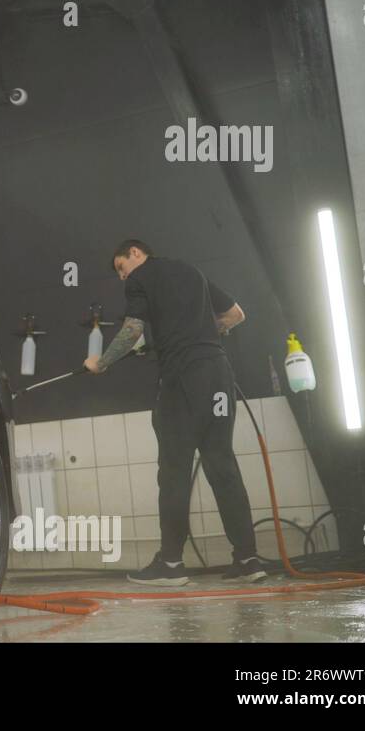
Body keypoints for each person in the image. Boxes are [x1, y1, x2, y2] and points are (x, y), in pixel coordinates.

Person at [84, 240, 265, 585]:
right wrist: (201, 335)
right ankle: (248, 559)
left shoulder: (142, 278)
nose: (123, 278)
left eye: (121, 267)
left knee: (174, 470)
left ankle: (170, 565)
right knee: (222, 464)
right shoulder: (191, 271)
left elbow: (132, 329)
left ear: (135, 253)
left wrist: (102, 362)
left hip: (182, 379)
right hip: (218, 373)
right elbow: (234, 315)